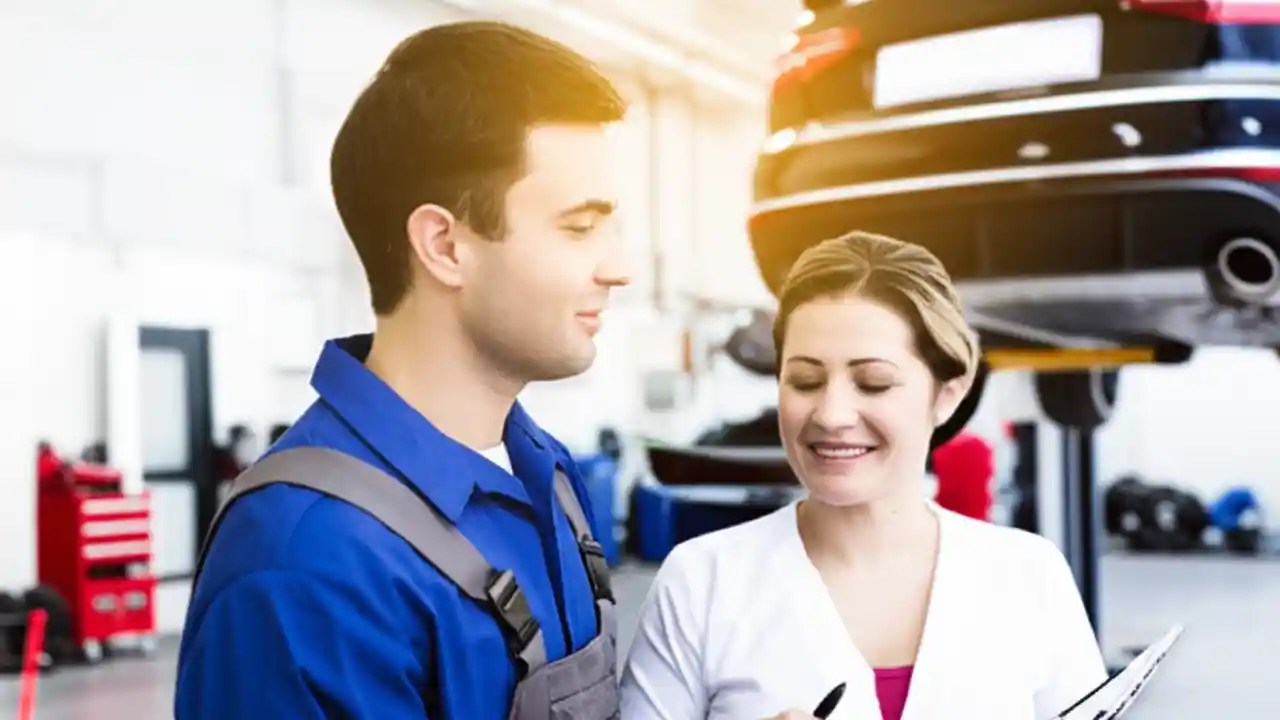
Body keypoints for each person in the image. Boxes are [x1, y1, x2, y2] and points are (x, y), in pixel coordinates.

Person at [175, 21, 631, 719]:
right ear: (445, 245)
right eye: (578, 228)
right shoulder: (306, 560)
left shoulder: (548, 478)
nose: (618, 268)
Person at [619, 231, 1106, 720]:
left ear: (946, 395)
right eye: (805, 381)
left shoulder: (1028, 576)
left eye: (873, 383)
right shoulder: (703, 582)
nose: (831, 415)